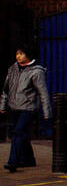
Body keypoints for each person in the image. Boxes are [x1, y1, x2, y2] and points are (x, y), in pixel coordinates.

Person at [2, 45, 52, 173]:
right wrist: (3, 104)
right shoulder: (12, 69)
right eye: (17, 53)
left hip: (28, 108)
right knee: (22, 134)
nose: (18, 56)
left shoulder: (36, 71)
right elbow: (6, 89)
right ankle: (29, 160)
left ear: (29, 55)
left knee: (17, 133)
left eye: (22, 54)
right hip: (14, 106)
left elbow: (43, 92)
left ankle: (13, 161)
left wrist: (47, 112)